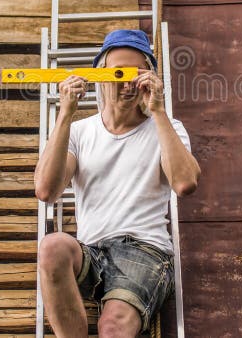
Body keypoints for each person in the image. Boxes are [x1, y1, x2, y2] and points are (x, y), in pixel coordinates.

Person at [35, 29, 201, 338]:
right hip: (93, 252)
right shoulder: (79, 132)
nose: (127, 85)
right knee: (52, 247)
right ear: (99, 77)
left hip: (145, 251)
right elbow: (46, 190)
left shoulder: (167, 127)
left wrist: (159, 111)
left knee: (111, 328)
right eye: (118, 74)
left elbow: (185, 183)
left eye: (136, 76)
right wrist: (64, 116)